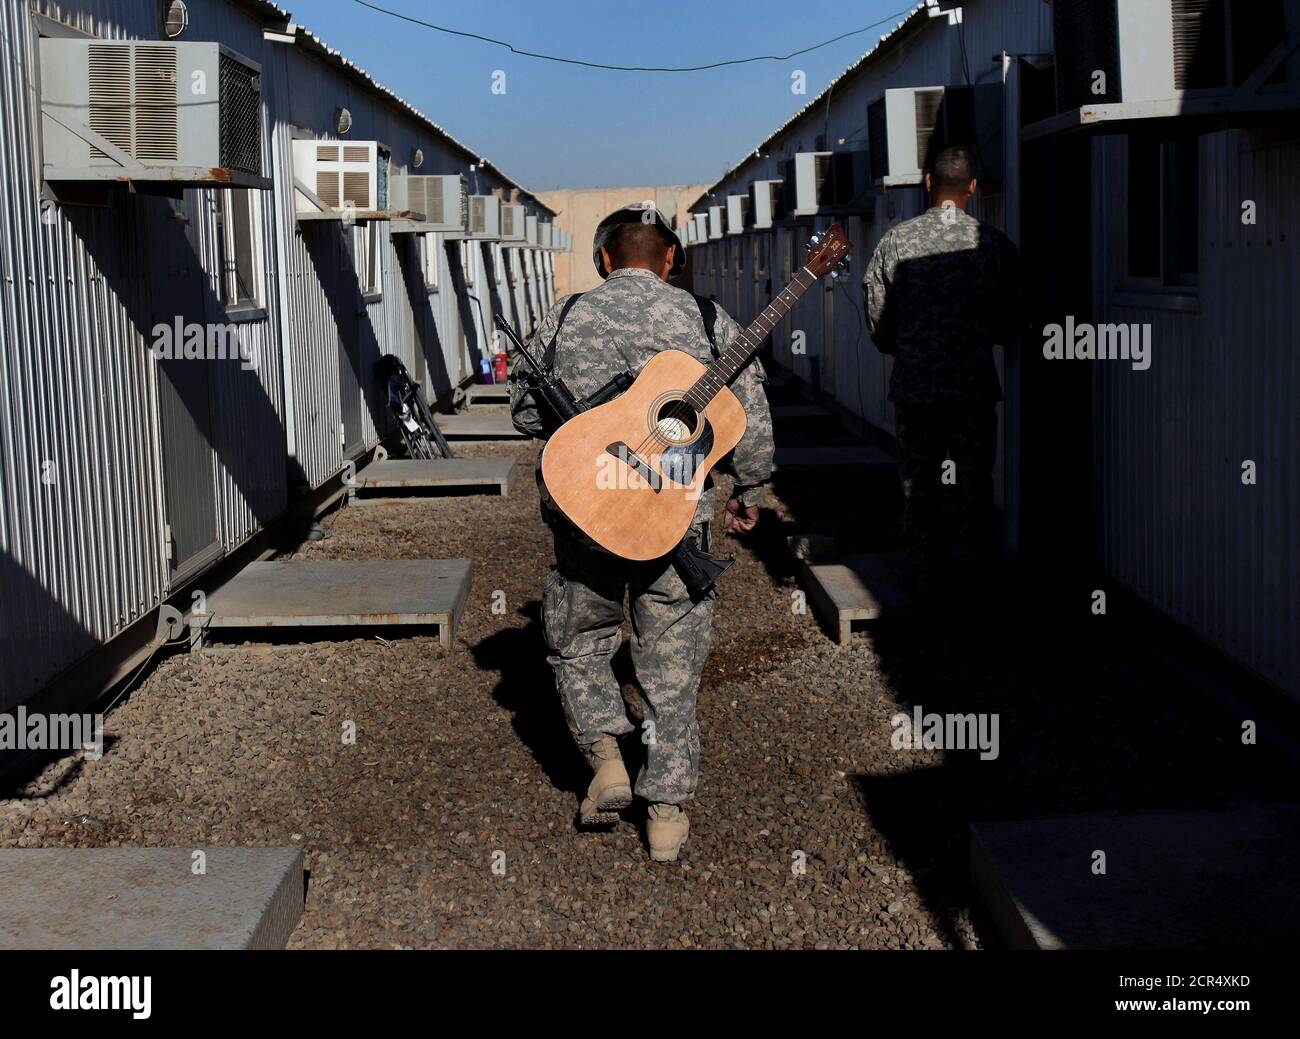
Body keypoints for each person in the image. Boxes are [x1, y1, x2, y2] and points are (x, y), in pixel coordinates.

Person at [510, 202, 773, 862]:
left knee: (578, 632)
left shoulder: (565, 316)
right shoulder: (710, 320)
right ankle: (666, 809)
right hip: (679, 518)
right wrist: (750, 488)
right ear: (669, 261)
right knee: (672, 659)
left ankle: (605, 754)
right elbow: (752, 415)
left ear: (604, 259)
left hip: (585, 512)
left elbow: (522, 411)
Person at [863, 145, 1021, 601]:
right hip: (972, 387)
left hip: (916, 388)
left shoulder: (896, 242)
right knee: (974, 484)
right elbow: (1012, 318)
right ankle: (975, 582)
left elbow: (877, 315)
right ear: (973, 187)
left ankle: (927, 577)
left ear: (928, 183)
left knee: (919, 484)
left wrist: (909, 348)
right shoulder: (993, 245)